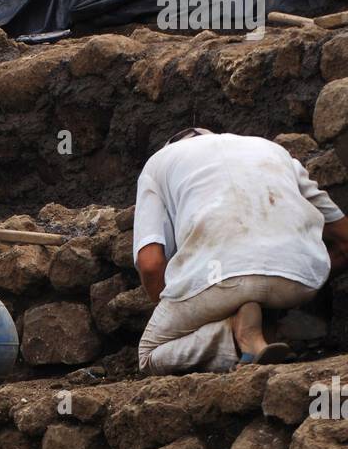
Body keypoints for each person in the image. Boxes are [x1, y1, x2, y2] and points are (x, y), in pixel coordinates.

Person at [133, 127, 348, 375]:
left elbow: (150, 263)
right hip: (297, 284)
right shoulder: (275, 152)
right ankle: (265, 323)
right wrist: (307, 275)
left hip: (219, 280)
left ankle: (234, 334)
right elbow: (344, 241)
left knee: (148, 356)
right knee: (256, 290)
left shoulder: (158, 164)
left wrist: (183, 312)